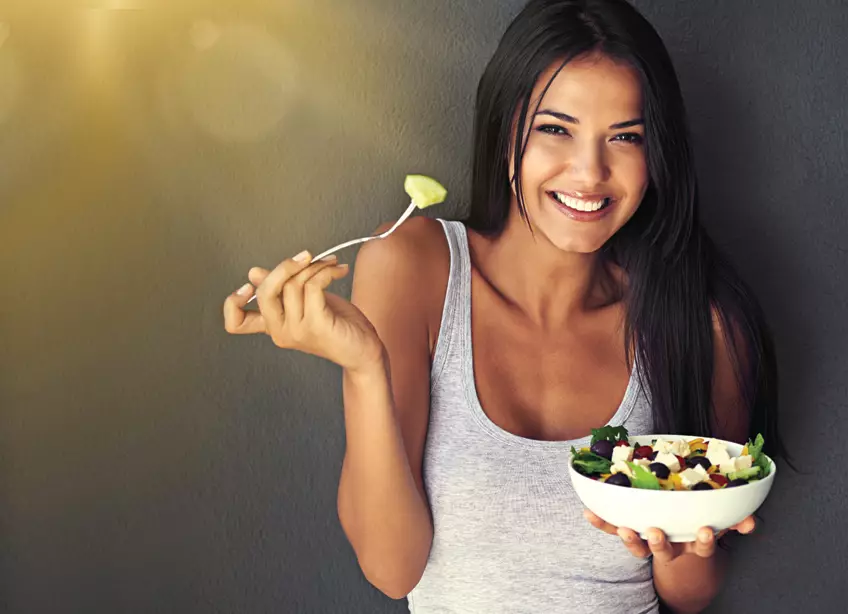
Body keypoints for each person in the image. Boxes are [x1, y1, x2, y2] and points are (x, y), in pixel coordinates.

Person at [223, 0, 784, 611]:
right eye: (555, 128)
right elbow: (393, 570)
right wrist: (364, 369)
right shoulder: (413, 264)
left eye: (625, 137)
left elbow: (691, 597)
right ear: (506, 129)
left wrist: (679, 549)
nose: (590, 171)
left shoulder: (701, 324)